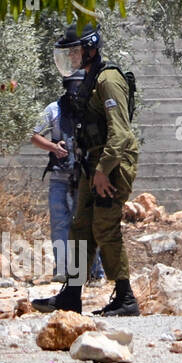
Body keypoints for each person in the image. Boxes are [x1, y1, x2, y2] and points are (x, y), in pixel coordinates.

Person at [34, 23, 140, 316]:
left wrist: (104, 170)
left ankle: (125, 297)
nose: (73, 58)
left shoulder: (108, 80)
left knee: (104, 225)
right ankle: (71, 294)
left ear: (92, 48)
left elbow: (121, 135)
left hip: (113, 162)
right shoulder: (88, 81)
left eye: (77, 51)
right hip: (92, 164)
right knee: (80, 227)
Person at [30, 72, 104, 284]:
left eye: (80, 85)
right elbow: (34, 133)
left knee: (85, 224)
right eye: (73, 85)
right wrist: (54, 146)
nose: (76, 90)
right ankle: (62, 270)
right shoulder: (54, 109)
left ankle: (93, 272)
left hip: (84, 178)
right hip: (59, 178)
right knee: (60, 224)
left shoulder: (92, 111)